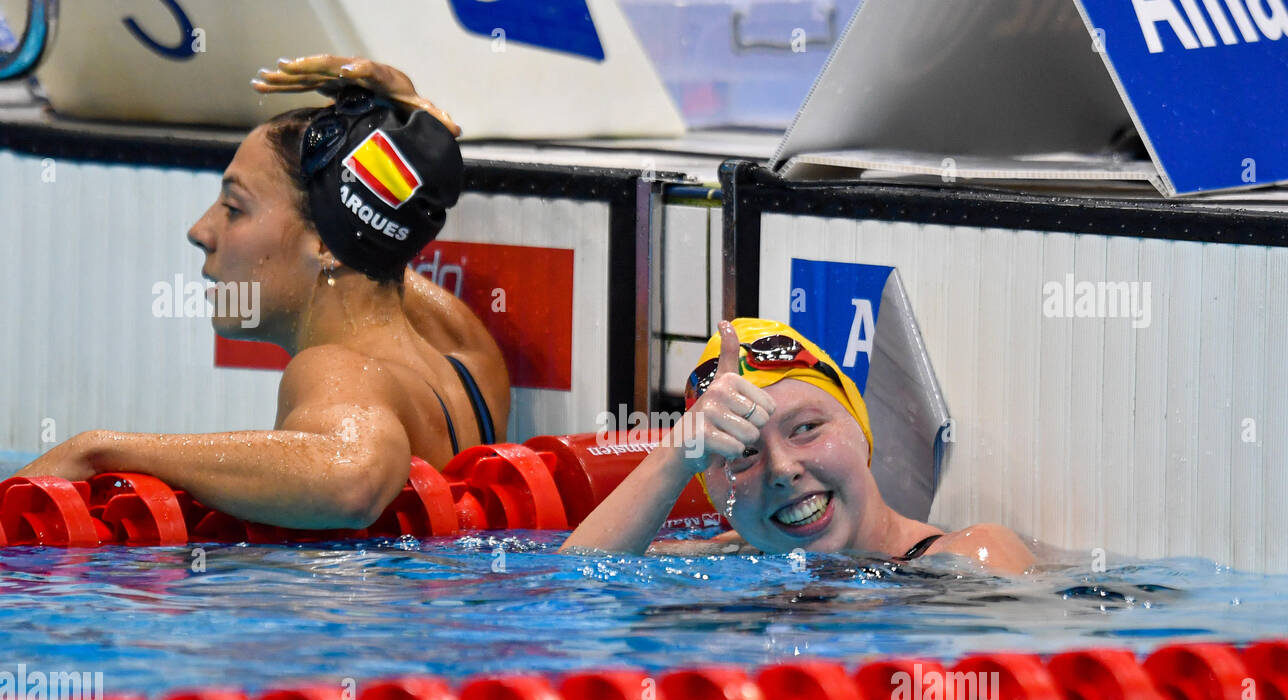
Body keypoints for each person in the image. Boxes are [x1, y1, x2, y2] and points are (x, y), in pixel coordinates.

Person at [9, 56, 508, 529]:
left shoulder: (335, 369)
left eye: (234, 207)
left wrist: (101, 449)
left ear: (322, 242)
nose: (201, 230)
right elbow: (379, 239)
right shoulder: (471, 370)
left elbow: (353, 477)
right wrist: (406, 121)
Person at [561, 318, 1036, 574]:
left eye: (806, 428)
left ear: (860, 431)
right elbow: (574, 595)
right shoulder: (724, 558)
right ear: (715, 491)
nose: (782, 469)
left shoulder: (971, 557)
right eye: (743, 451)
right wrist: (672, 459)